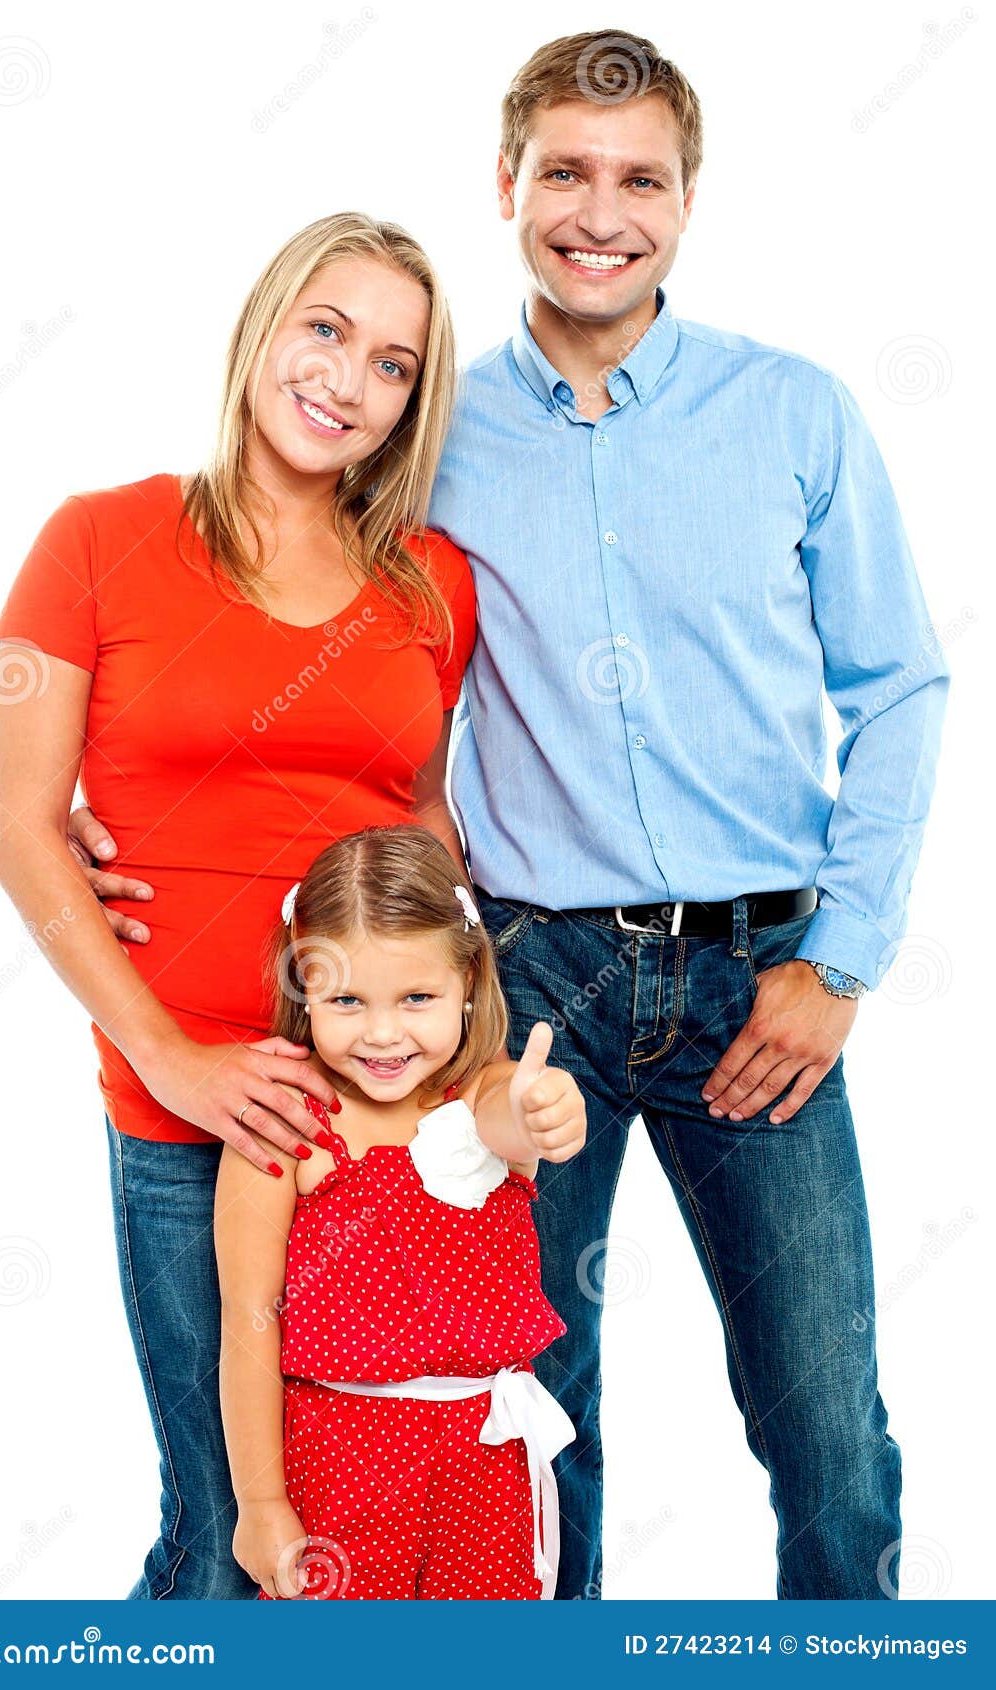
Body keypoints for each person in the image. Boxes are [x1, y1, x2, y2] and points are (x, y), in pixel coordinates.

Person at [425, 31, 951, 1599]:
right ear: (504, 183)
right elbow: (327, 652)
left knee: (828, 1432)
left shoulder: (792, 411)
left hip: (760, 980)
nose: (602, 214)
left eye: (640, 179)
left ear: (688, 198)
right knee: (528, 1423)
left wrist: (837, 962)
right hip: (534, 986)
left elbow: (900, 686)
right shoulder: (433, 432)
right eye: (566, 173)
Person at [0, 213, 478, 1598]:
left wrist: (464, 1047)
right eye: (326, 328)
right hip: (184, 1116)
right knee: (223, 1536)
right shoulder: (97, 538)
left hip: (383, 1124)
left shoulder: (431, 582)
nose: (346, 379)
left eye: (392, 364)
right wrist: (170, 1059)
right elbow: (19, 830)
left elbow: (422, 821)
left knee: (357, 1531)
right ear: (264, 325)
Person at [215, 823, 584, 1600]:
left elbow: (514, 1114)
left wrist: (544, 1103)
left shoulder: (480, 1097)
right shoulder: (288, 1126)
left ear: (468, 985)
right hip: (337, 1468)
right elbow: (248, 1317)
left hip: (485, 1470)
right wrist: (260, 1503)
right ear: (303, 990)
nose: (382, 1034)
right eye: (346, 1001)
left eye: (417, 998)